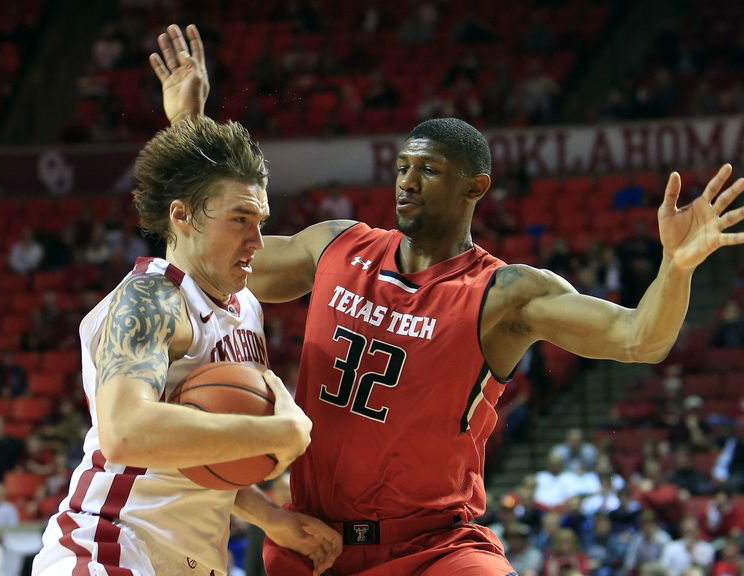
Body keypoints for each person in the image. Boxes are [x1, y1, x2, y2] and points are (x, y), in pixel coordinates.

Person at [153, 24, 744, 575]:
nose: (407, 182)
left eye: (429, 170)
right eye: (402, 168)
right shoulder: (336, 246)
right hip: (314, 540)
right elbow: (214, 255)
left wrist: (676, 266)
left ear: (474, 187)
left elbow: (641, 339)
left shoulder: (505, 294)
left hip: (435, 549)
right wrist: (188, 124)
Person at [31, 42, 341, 576]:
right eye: (241, 220)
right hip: (109, 546)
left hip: (191, 558)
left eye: (261, 221)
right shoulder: (150, 298)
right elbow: (128, 432)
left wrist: (269, 516)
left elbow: (198, 453)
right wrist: (279, 434)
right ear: (182, 217)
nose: (258, 241)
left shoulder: (245, 305)